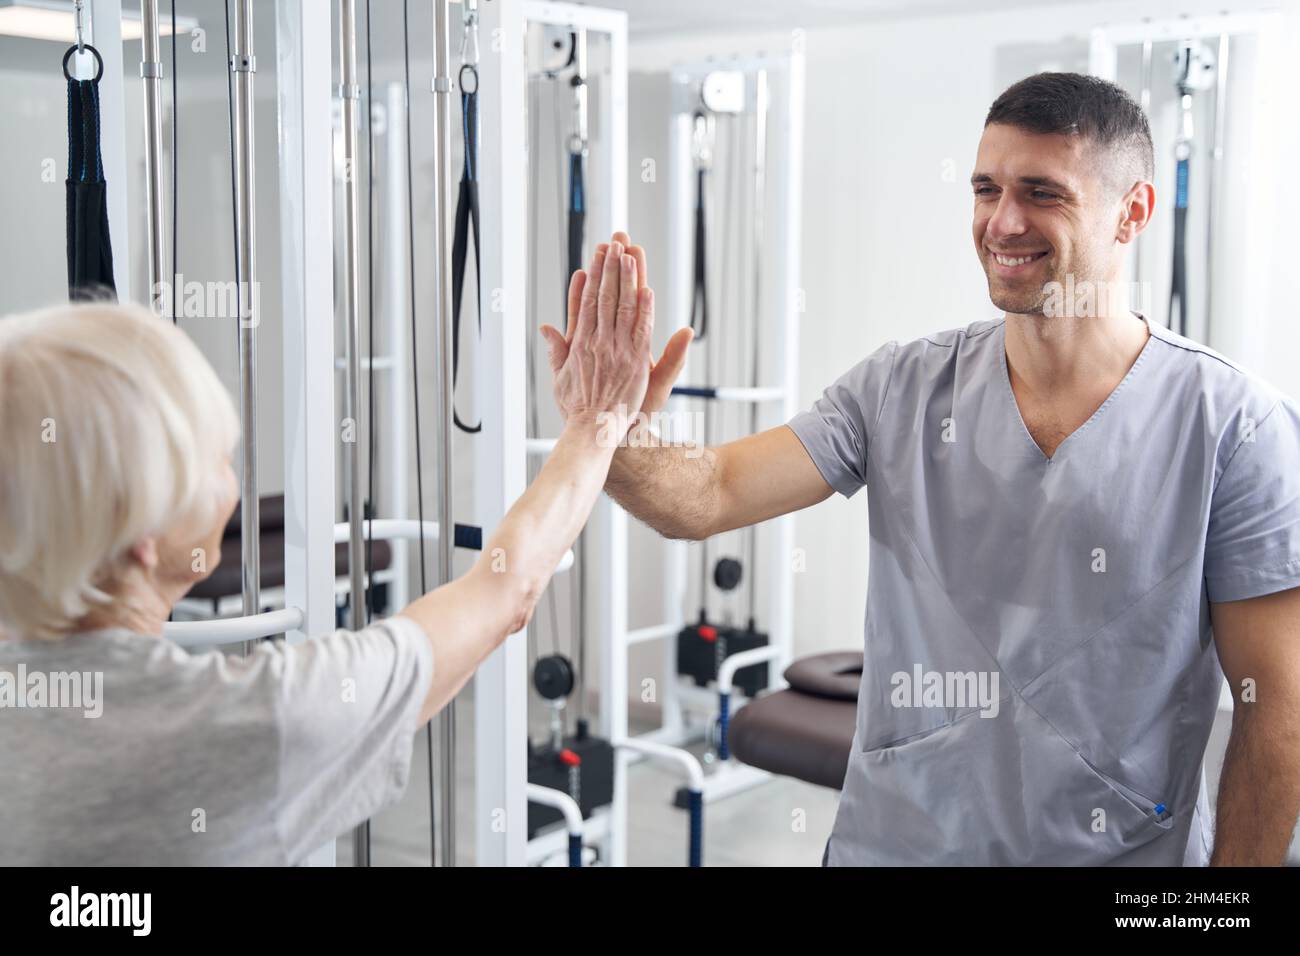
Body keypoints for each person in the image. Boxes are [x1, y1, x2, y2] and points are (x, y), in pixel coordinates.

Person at [580, 74, 1300, 866]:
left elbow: (1275, 707)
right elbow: (708, 495)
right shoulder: (898, 388)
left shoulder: (1235, 427)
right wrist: (610, 433)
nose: (1002, 221)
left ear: (1133, 211)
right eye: (986, 188)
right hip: (897, 847)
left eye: (1041, 193)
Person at [0, 239, 653, 864]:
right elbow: (501, 591)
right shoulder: (250, 720)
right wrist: (596, 419)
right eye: (218, 460)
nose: (232, 478)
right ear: (144, 536)